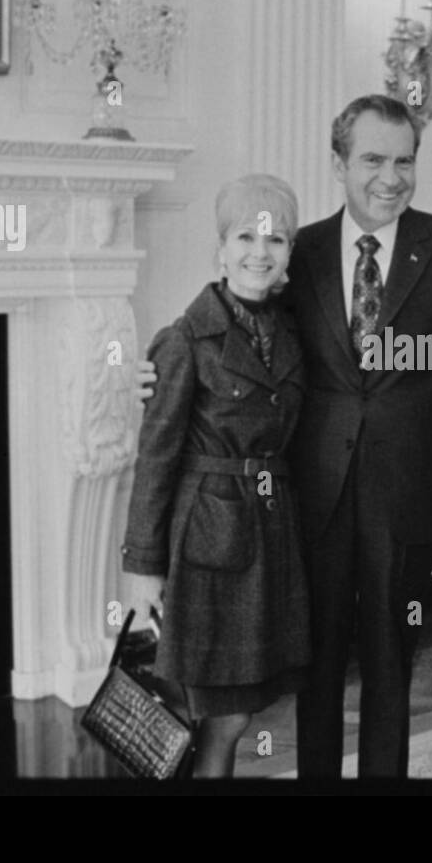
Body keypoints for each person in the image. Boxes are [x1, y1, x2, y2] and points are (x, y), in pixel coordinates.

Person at [285, 95, 432, 777]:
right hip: (316, 489)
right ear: (339, 163)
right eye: (373, 159)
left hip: (409, 495)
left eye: (405, 160)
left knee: (390, 662)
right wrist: (164, 362)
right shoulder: (302, 250)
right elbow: (252, 339)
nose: (391, 176)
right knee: (314, 662)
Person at [120, 174, 311, 778]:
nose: (261, 251)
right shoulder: (183, 340)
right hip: (207, 541)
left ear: (289, 254)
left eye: (276, 239)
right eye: (247, 236)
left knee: (241, 711)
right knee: (215, 716)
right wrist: (141, 567)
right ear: (220, 248)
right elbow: (156, 456)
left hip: (272, 536)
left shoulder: (290, 329)